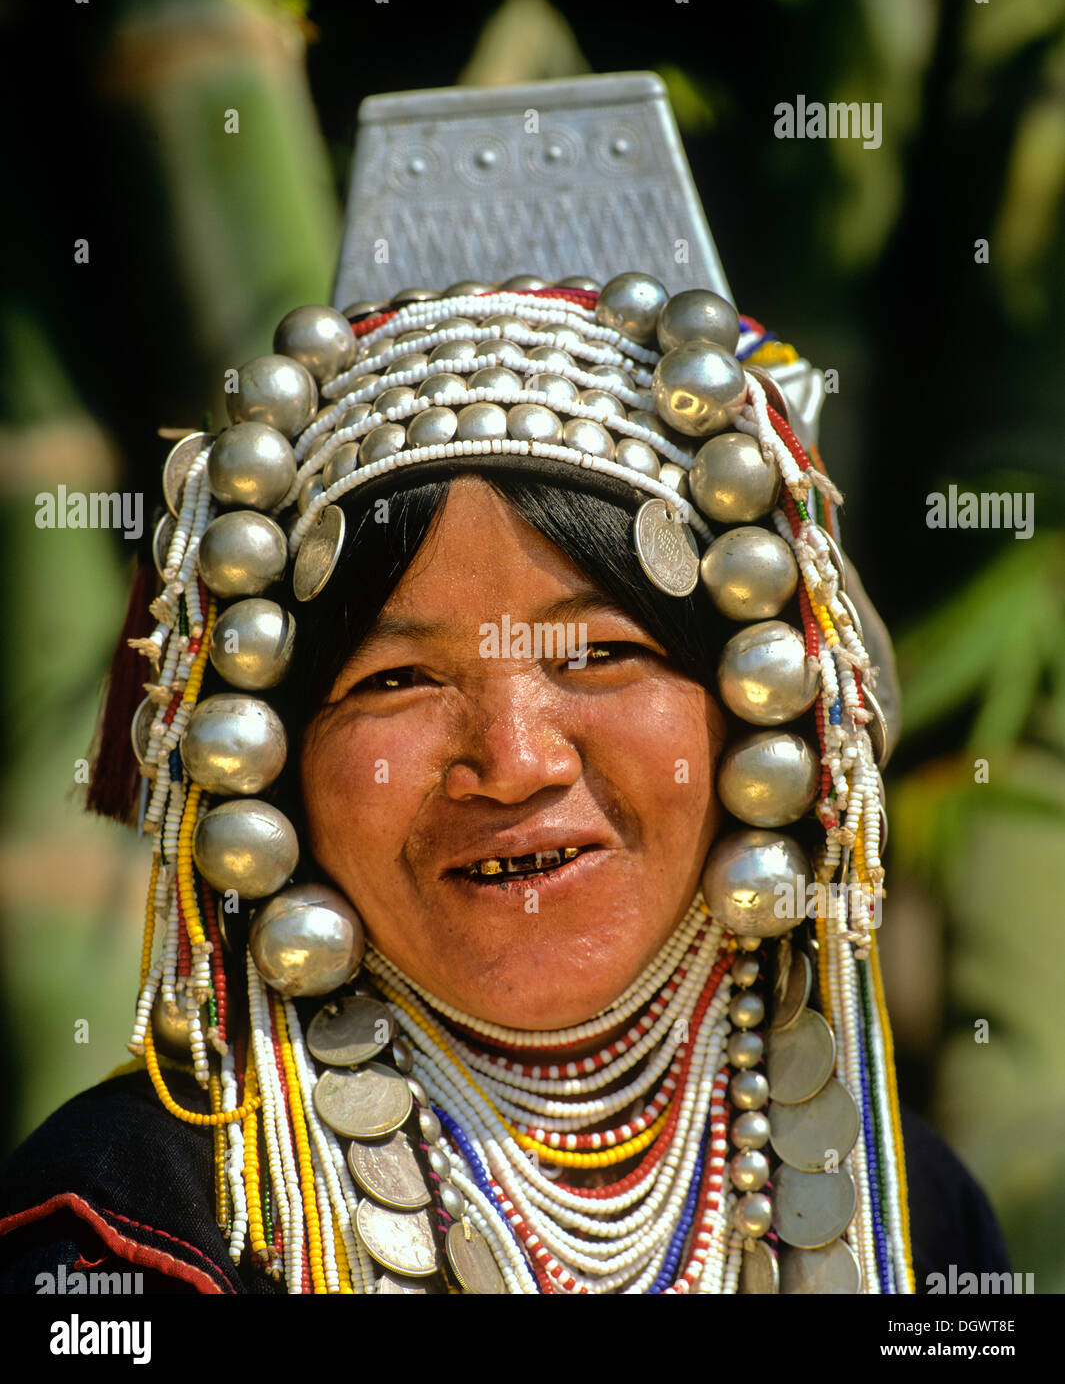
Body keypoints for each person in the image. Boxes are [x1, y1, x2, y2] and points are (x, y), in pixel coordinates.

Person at [0, 275, 1008, 1295]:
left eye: (599, 654)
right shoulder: (132, 1229)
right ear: (271, 762)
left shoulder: (910, 1216)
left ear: (757, 709)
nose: (516, 761)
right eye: (398, 679)